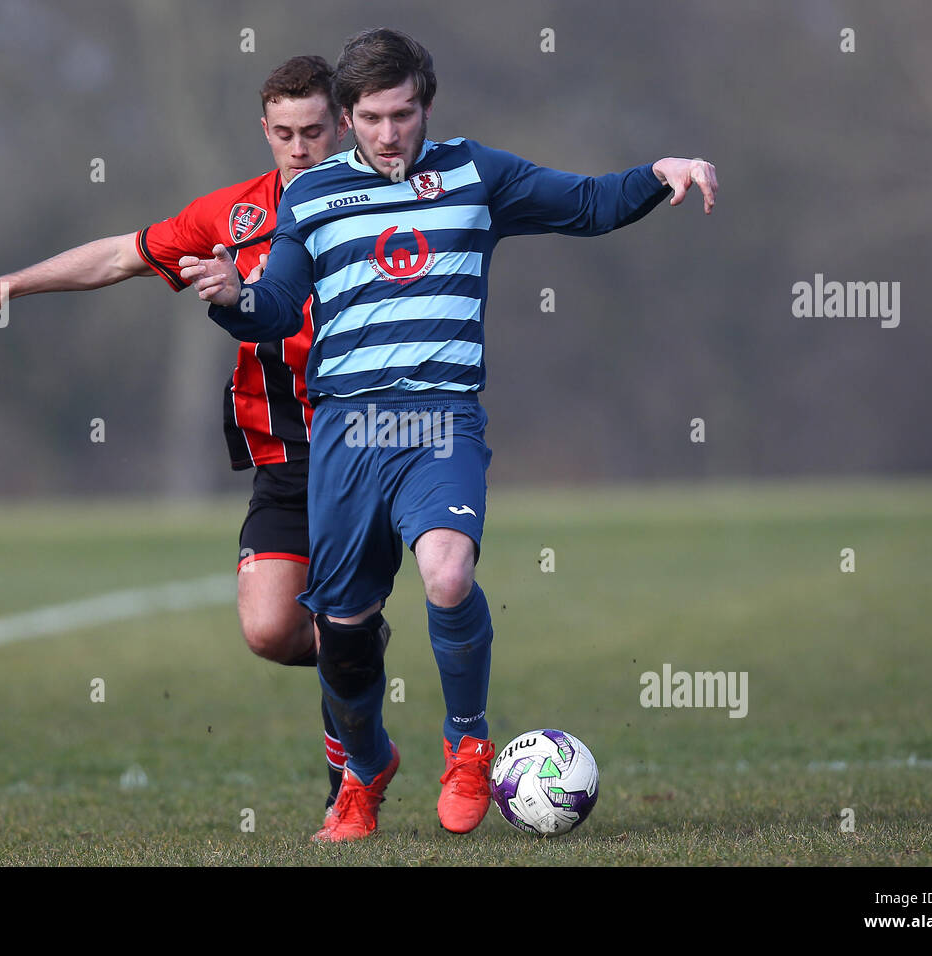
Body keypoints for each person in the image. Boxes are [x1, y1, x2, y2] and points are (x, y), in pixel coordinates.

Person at [181, 28, 719, 842]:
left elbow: (587, 203)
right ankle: (362, 776)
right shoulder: (313, 195)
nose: (390, 134)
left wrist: (659, 173)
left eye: (403, 114)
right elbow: (280, 307)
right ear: (348, 116)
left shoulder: (476, 172)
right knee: (347, 632)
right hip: (347, 432)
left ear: (426, 104)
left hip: (441, 420)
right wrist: (231, 296)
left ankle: (468, 746)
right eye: (371, 118)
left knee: (447, 572)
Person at [0, 55, 359, 813]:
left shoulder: (382, 203)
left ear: (342, 124)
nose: (300, 148)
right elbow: (121, 255)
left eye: (314, 132)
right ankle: (358, 652)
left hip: (367, 442)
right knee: (272, 628)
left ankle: (353, 786)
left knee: (346, 610)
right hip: (284, 453)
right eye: (283, 134)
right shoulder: (234, 214)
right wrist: (11, 285)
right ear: (263, 131)